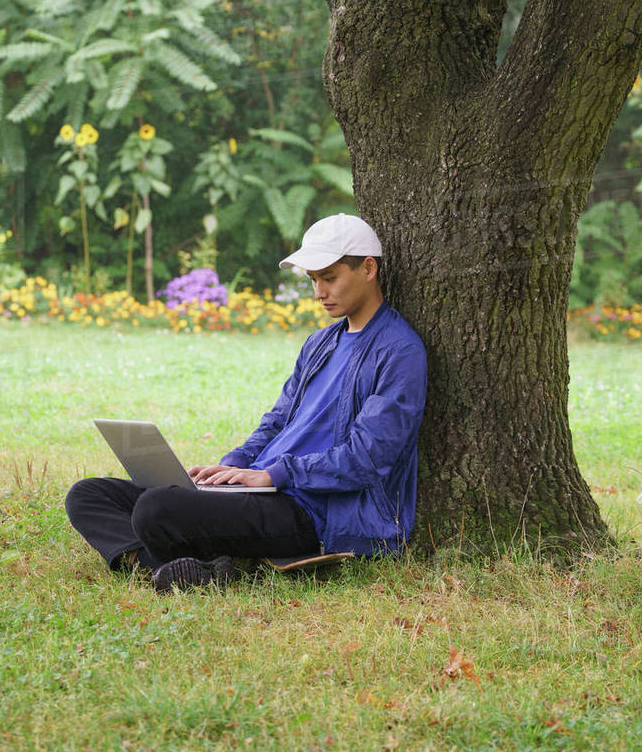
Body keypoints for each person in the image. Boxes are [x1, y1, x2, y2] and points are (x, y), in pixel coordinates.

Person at [65, 214, 427, 592]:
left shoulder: (399, 351)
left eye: (330, 278)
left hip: (312, 511)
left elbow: (368, 458)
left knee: (157, 509)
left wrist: (276, 475)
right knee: (88, 494)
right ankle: (181, 567)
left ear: (368, 268)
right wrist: (232, 466)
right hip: (263, 489)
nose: (319, 292)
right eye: (313, 280)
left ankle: (182, 564)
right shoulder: (320, 344)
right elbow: (277, 421)